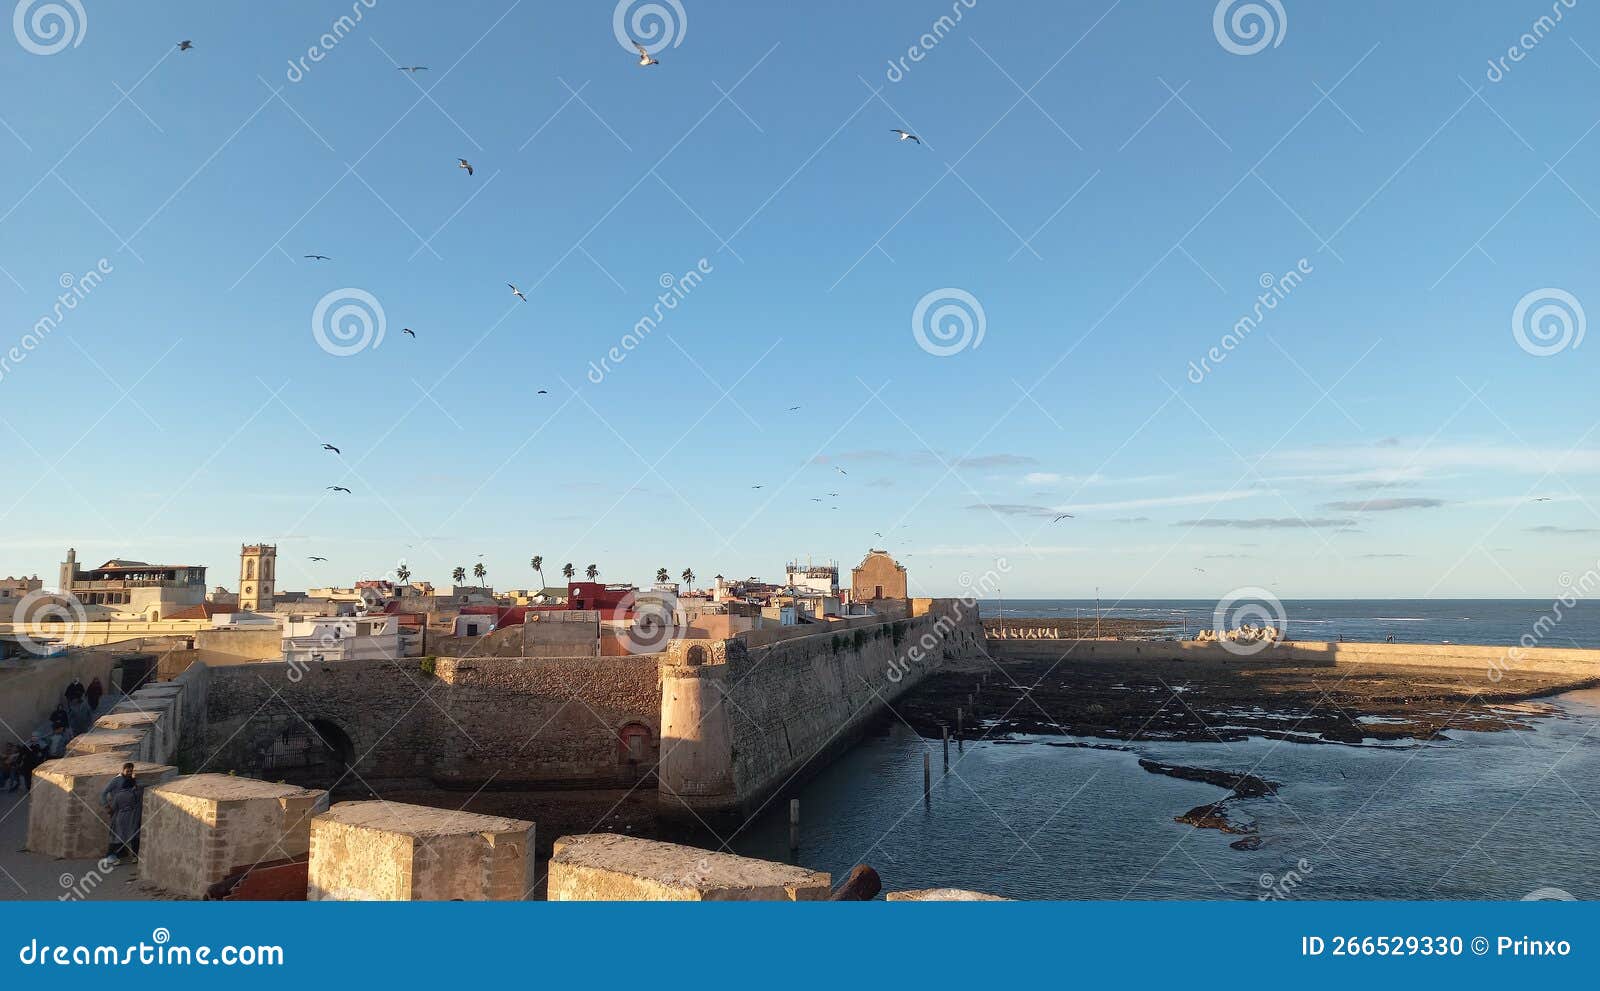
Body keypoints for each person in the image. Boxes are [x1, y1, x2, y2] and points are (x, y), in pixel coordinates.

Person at [100, 763, 144, 864]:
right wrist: (106, 806)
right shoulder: (116, 780)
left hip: (121, 812)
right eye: (127, 771)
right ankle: (132, 856)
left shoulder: (128, 786)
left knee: (118, 834)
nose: (129, 773)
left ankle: (114, 856)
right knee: (132, 834)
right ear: (123, 770)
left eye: (130, 771)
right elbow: (104, 793)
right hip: (127, 813)